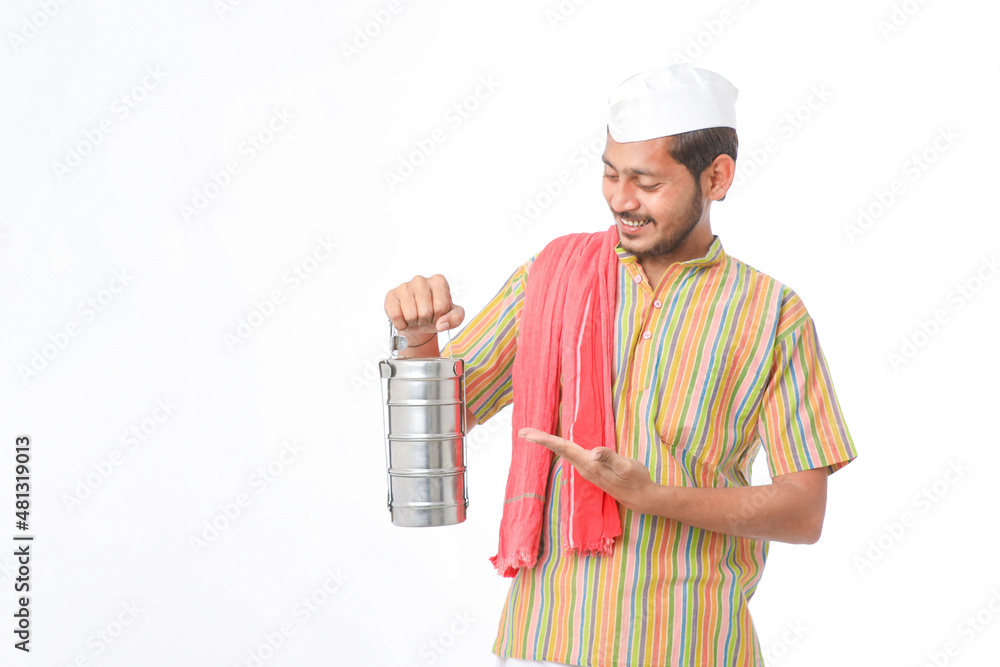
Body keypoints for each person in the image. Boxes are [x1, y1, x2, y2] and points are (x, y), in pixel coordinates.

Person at [383, 64, 857, 667]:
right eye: (609, 173)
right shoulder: (551, 280)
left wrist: (652, 495)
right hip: (546, 641)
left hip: (694, 643)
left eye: (647, 181)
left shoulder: (771, 315)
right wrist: (417, 342)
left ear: (717, 177)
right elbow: (437, 433)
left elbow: (803, 511)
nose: (620, 199)